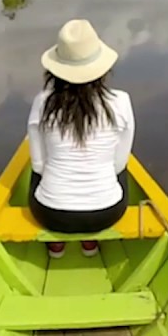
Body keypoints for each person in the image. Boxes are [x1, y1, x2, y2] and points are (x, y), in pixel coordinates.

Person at [27, 18, 135, 259]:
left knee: (35, 172)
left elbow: (38, 165)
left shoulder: (42, 103)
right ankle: (90, 243)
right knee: (119, 172)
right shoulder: (121, 102)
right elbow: (119, 164)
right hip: (107, 213)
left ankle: (56, 246)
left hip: (51, 214)